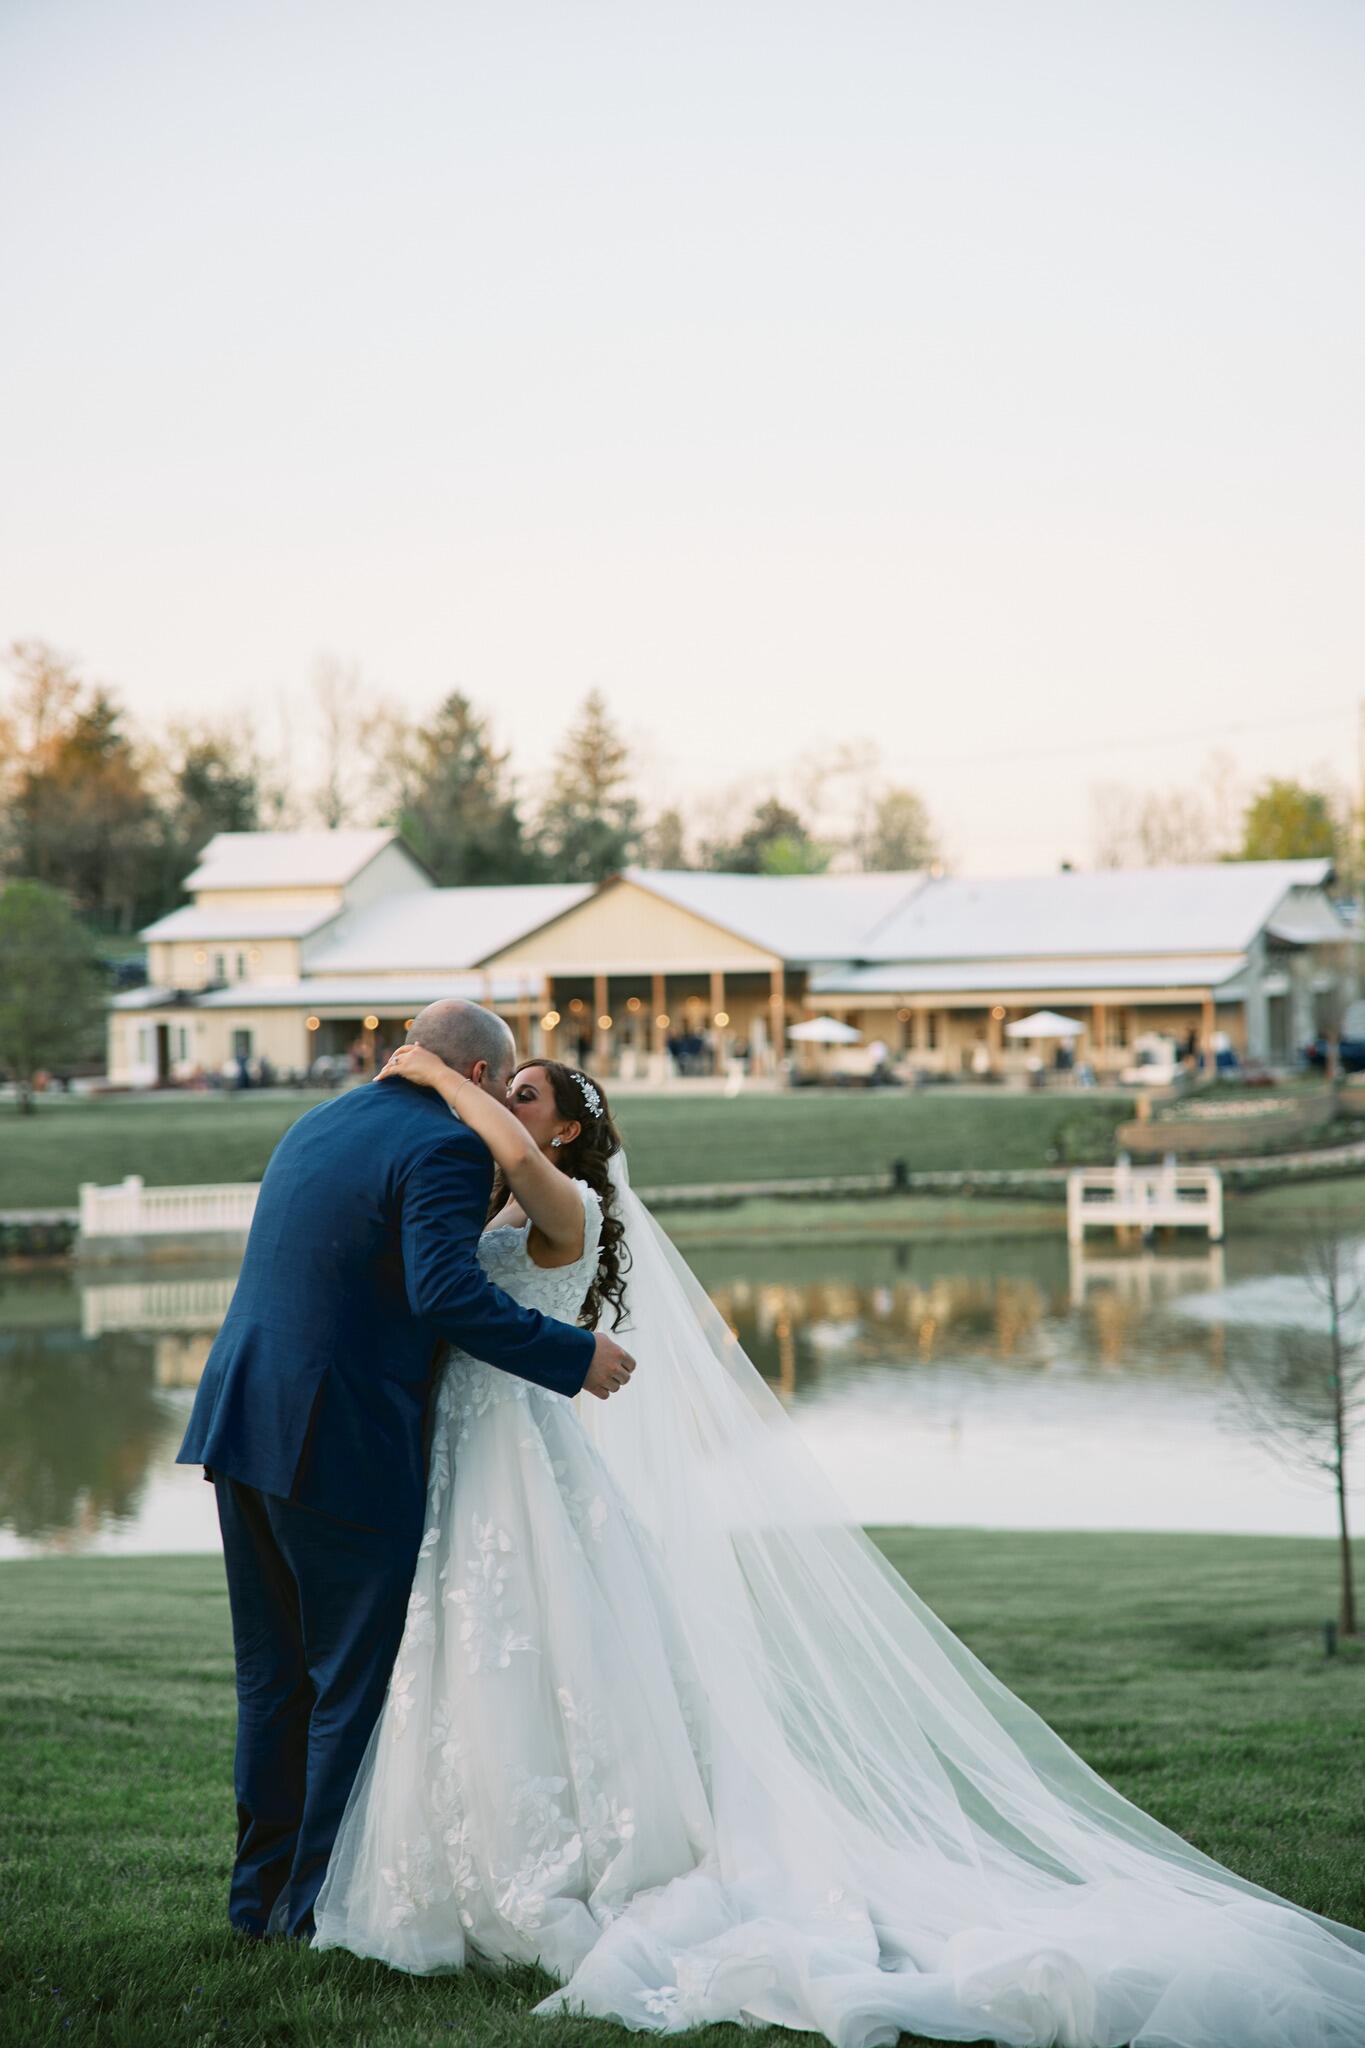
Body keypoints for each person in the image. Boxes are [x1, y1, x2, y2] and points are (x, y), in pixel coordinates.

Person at [313, 1046, 1365, 2047]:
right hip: (472, 1449)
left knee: (538, 1645)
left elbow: (513, 1153)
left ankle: (560, 1862)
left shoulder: (565, 1202)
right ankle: (462, 1859)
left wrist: (442, 1073)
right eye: (514, 1086)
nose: (514, 1098)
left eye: (532, 1090)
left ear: (572, 1127)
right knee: (473, 1649)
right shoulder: (491, 1199)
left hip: (519, 1457)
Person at [179, 999, 636, 1945]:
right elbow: (444, 1292)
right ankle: (312, 1909)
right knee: (348, 1683)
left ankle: (254, 1901)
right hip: (335, 1435)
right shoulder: (445, 1147)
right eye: (500, 1087)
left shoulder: (321, 1119)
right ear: (477, 1082)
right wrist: (569, 1355)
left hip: (244, 1415)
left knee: (274, 1680)